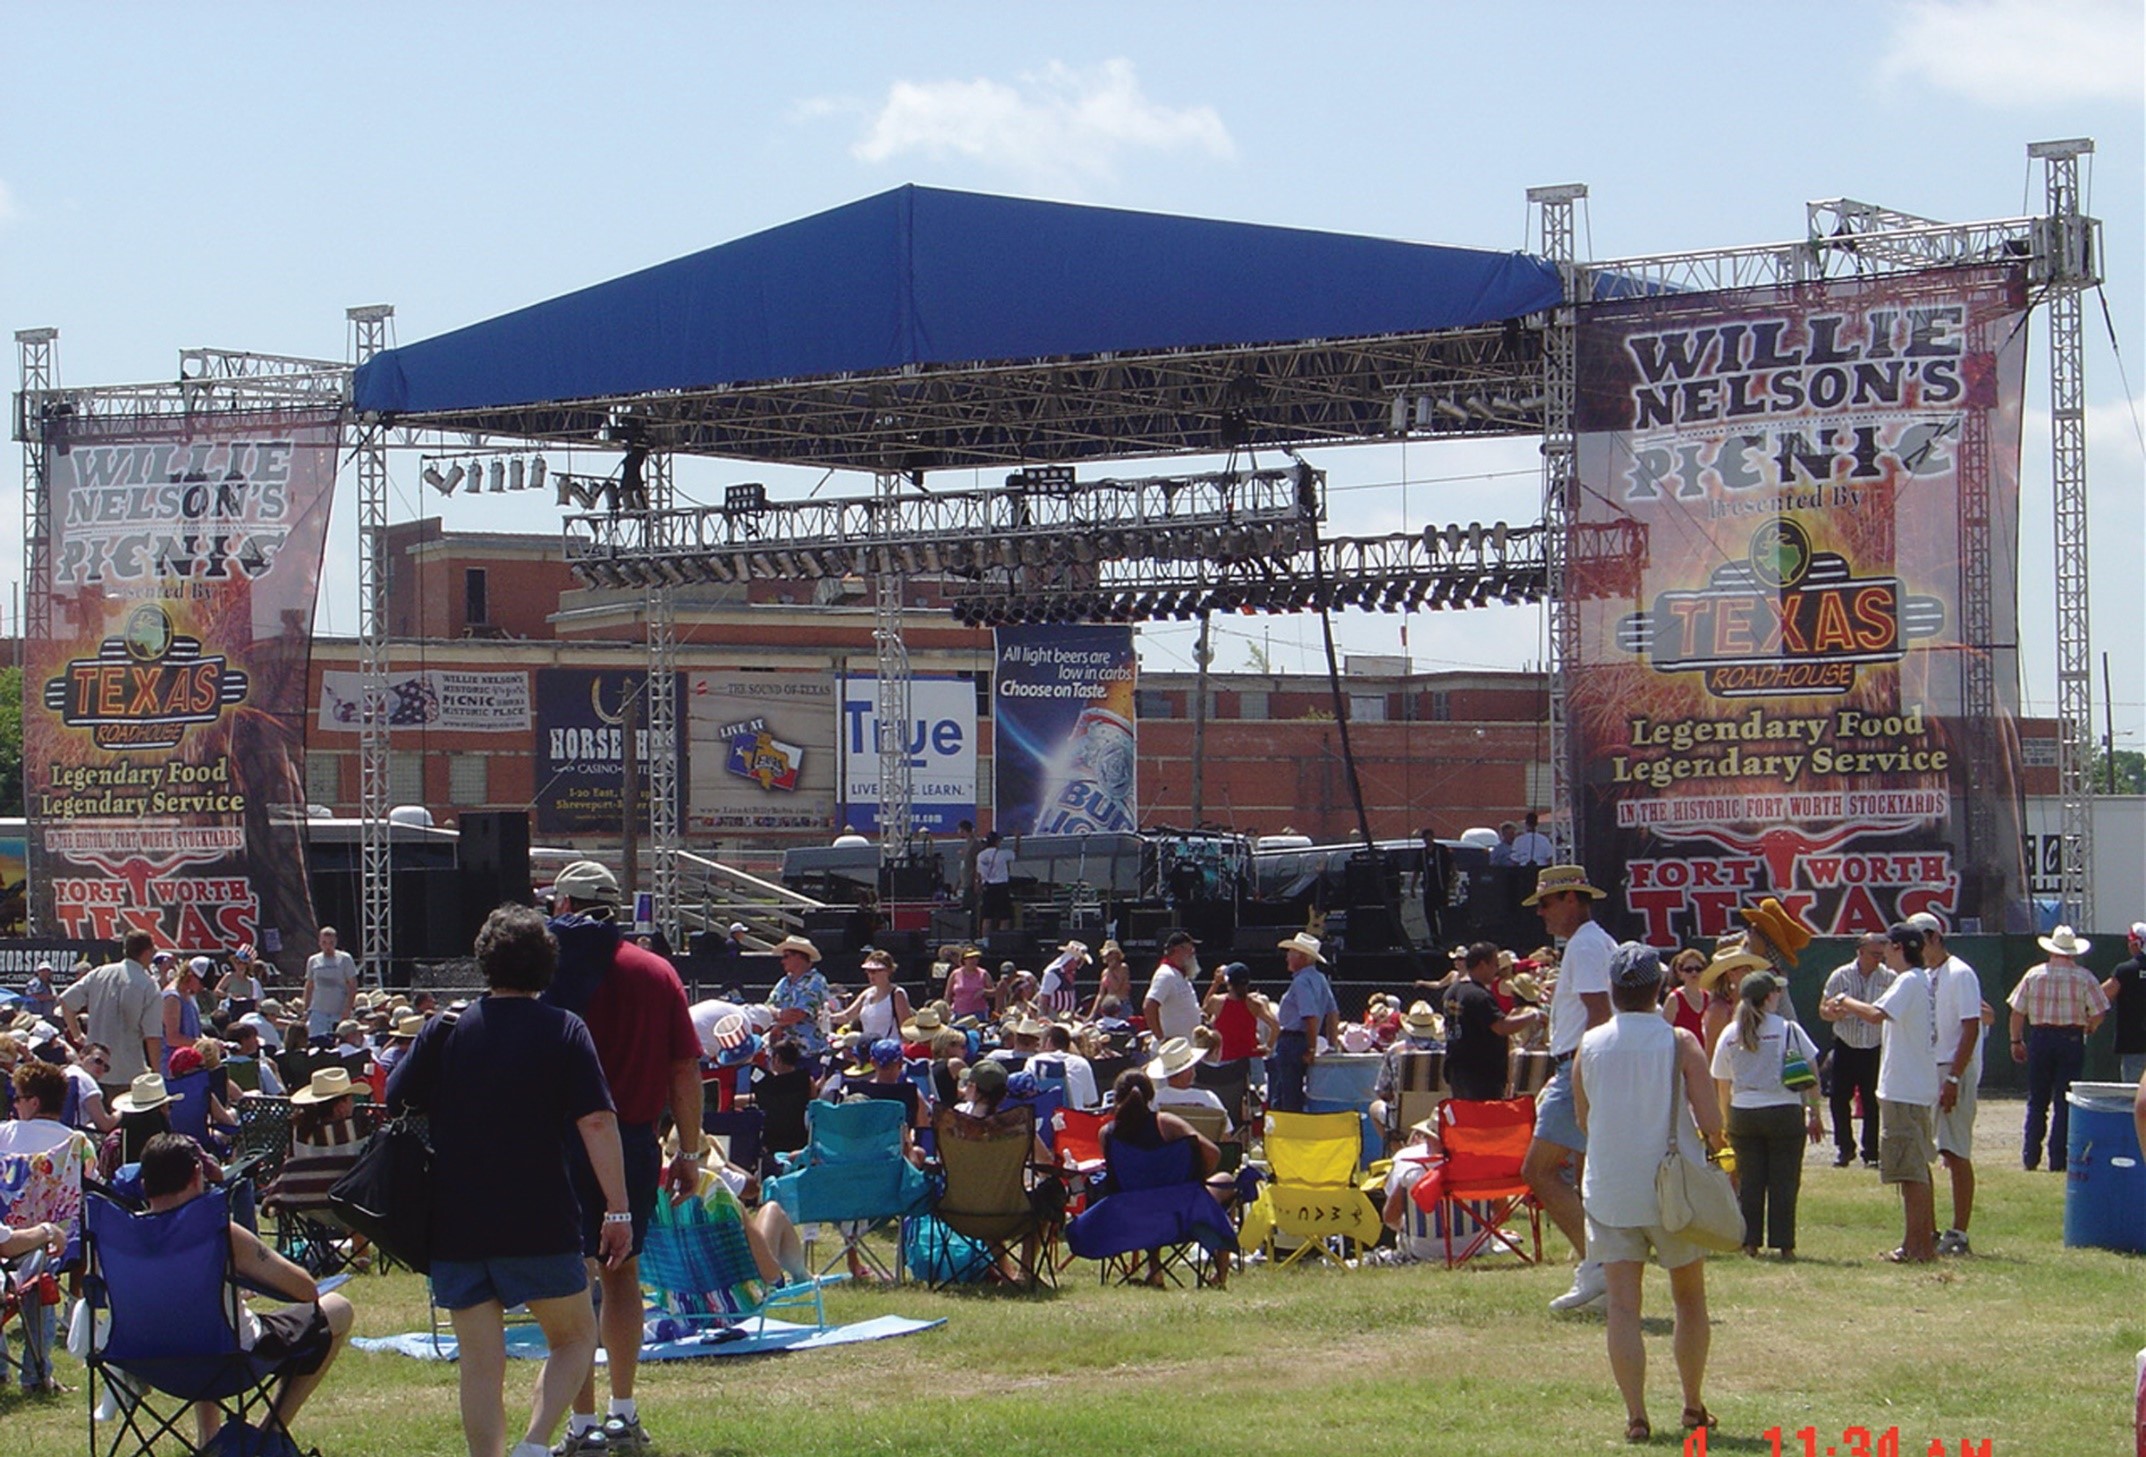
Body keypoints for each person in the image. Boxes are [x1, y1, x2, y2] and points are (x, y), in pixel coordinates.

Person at [388, 904, 630, 1457]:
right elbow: (596, 1121)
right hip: (538, 1216)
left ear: (484, 962)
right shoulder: (564, 1029)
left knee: (479, 1364)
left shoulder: (444, 1030)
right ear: (548, 964)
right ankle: (536, 1442)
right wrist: (617, 1208)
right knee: (574, 1337)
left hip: (456, 1220)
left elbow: (394, 1097)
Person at [540, 861, 702, 1457]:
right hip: (633, 1140)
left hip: (561, 1140)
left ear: (563, 905)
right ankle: (624, 1411)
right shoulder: (656, 972)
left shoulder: (546, 970)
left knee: (570, 1279)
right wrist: (688, 1149)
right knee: (622, 1272)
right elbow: (684, 1069)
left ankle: (581, 1423)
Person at [1570, 942, 1724, 1444]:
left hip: (1611, 1186)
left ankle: (1636, 1415)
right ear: (1659, 987)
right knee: (1689, 1299)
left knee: (1622, 1307)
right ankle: (1692, 1404)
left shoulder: (1588, 1045)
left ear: (1613, 991)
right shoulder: (1680, 1042)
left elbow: (1584, 1119)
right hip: (1672, 1186)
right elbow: (1711, 1121)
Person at [132, 1133, 354, 1447]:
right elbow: (305, 1290)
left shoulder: (122, 1237)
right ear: (197, 1175)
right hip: (227, 1361)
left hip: (149, 1362)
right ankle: (269, 1433)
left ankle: (209, 1440)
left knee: (198, 1318)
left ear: (144, 1184)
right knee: (338, 1308)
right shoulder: (219, 1233)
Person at [1521, 865, 1616, 1314]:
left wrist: (1579, 1079)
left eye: (1546, 903)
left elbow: (1599, 1014)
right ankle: (1600, 1272)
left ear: (1572, 900)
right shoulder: (1591, 943)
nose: (1541, 914)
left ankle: (1599, 1266)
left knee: (1538, 1171)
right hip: (1580, 1066)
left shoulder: (1586, 945)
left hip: (1581, 1065)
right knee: (1584, 1178)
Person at [1823, 922, 1940, 1263]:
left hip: (1904, 1089)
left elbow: (1875, 1015)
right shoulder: (1920, 981)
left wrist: (1844, 1000)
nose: (1884, 954)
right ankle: (1918, 1245)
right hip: (1914, 1086)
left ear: (1900, 948)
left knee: (1910, 1173)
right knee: (1916, 1169)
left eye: (1888, 947)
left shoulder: (1907, 981)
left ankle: (1917, 1248)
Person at [1708, 970, 1823, 1259]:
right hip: (1783, 1109)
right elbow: (1811, 1071)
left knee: (1750, 1181)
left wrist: (1725, 1119)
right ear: (1770, 996)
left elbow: (1723, 1081)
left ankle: (1750, 1242)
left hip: (1743, 1112)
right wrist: (1814, 1112)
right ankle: (1784, 1244)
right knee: (1784, 1179)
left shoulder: (1730, 1033)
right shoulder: (1787, 1028)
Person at [1095, 1068, 1229, 1288]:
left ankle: (1154, 1269)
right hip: (1181, 1211)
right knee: (1224, 1179)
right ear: (1150, 1096)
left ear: (1116, 1096)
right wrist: (1196, 1178)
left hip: (1132, 1214)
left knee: (1150, 1194)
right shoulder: (1166, 1123)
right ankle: (1220, 1275)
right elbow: (1213, 1153)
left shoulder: (1107, 1134)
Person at [1907, 911, 1983, 1256]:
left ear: (1935, 937)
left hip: (1954, 1067)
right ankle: (1929, 1228)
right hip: (1929, 1066)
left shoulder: (1961, 973)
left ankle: (1959, 1232)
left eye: (1919, 942)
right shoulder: (1924, 975)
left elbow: (1971, 1026)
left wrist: (1954, 1075)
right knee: (1927, 1150)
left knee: (1955, 1150)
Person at [2008, 924, 2107, 1175]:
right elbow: (2099, 1011)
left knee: (2037, 1100)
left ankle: (2030, 1156)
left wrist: (2016, 1040)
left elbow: (2017, 1011)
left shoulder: (2033, 975)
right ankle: (2058, 1159)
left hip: (2041, 1036)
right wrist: (2089, 1027)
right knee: (2064, 1101)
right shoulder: (2084, 977)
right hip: (2070, 1038)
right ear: (2073, 952)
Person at [57, 929, 164, 1103]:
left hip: (93, 1069)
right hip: (128, 1072)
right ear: (146, 952)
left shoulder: (100, 973)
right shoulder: (148, 985)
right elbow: (152, 1036)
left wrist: (77, 1035)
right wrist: (157, 1074)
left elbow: (66, 1001)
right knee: (124, 1126)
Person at [1818, 932, 1894, 1169]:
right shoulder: (1840, 976)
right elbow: (1823, 1009)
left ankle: (1871, 1152)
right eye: (1874, 954)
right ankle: (1844, 1148)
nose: (1878, 959)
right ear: (1860, 952)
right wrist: (1832, 1013)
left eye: (1882, 955)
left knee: (1872, 1101)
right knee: (1839, 1098)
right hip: (1846, 1044)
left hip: (1874, 1046)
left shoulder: (1889, 977)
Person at [1444, 942, 1544, 1100]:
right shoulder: (1478, 995)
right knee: (1485, 1121)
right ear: (1482, 964)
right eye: (1495, 965)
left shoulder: (1451, 991)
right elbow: (1502, 1027)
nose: (1497, 970)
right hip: (1481, 1074)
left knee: (1466, 1119)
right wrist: (1535, 1015)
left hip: (1457, 1069)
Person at [1266, 933, 1338, 1114]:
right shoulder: (1320, 979)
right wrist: (1331, 1045)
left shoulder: (1301, 982)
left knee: (1286, 1095)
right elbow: (1333, 1013)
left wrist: (1311, 1049)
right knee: (1297, 1093)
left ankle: (1288, 1134)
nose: (1287, 956)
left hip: (1293, 1042)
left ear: (1303, 957)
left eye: (1291, 952)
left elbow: (1310, 1016)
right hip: (1306, 1040)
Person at [767, 936, 831, 1065]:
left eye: (786, 956)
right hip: (782, 1053)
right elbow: (767, 1007)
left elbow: (797, 1014)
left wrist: (777, 1024)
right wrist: (779, 1014)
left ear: (799, 957)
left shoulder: (816, 981)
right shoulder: (784, 982)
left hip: (807, 1053)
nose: (782, 961)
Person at [829, 949, 912, 1047]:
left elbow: (906, 1028)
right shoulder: (867, 993)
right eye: (868, 971)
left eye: (875, 971)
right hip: (867, 1051)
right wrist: (827, 1017)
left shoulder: (897, 994)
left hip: (889, 1051)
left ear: (888, 971)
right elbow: (847, 1016)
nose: (871, 975)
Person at [1202, 962, 1277, 1067]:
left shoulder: (1217, 1001)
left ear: (1228, 981)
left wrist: (1216, 983)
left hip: (1226, 1061)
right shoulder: (1255, 1004)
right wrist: (1268, 1047)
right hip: (1252, 1060)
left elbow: (1204, 1011)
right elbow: (1275, 1026)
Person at [2103, 922, 2146, 1085]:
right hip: (2133, 1045)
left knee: (2133, 1097)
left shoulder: (2125, 971)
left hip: (2134, 1045)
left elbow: (2102, 996)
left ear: (2136, 944)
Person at [1144, 931, 1205, 1044]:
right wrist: (1161, 1039)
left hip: (1185, 1047)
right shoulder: (1165, 974)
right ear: (1178, 949)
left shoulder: (1180, 975)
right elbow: (1149, 1006)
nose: (1193, 953)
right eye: (1190, 949)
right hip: (1171, 1051)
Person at [302, 928, 360, 1045]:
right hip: (318, 1013)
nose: (327, 946)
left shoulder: (345, 959)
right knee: (315, 1044)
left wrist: (347, 1009)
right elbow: (309, 985)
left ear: (336, 942)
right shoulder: (313, 960)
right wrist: (306, 1009)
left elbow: (352, 986)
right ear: (319, 942)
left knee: (339, 1045)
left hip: (338, 1012)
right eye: (324, 943)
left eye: (331, 943)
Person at [1031, 1022, 1099, 1110]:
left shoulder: (1034, 1061)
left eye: (1039, 1045)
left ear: (1048, 1042)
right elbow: (1090, 1101)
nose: (1039, 1049)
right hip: (1074, 1120)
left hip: (1042, 1119)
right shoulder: (1082, 1063)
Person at [160, 957, 208, 1071]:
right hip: (174, 1068)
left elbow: (194, 1033)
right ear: (190, 976)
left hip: (191, 1064)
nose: (202, 988)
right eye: (201, 983)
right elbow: (172, 1038)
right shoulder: (172, 998)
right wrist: (205, 1044)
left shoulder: (189, 995)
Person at [975, 831, 1015, 933]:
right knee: (1005, 917)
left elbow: (978, 873)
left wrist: (978, 885)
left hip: (988, 887)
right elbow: (1016, 854)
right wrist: (1017, 839)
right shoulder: (1002, 854)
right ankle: (1002, 941)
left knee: (987, 917)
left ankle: (985, 942)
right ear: (997, 842)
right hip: (1001, 888)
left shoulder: (980, 856)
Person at [1038, 941, 1088, 1018]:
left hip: (1067, 1016)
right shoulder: (1052, 974)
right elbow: (1044, 997)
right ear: (1071, 959)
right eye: (1078, 962)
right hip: (1054, 1015)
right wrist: (1043, 1017)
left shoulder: (1070, 974)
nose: (1079, 966)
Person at [1087, 941, 1131, 1020]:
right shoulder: (1104, 972)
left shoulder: (1123, 968)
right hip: (1109, 1006)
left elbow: (1116, 986)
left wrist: (1110, 970)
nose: (1108, 957)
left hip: (1121, 1005)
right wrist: (1093, 1013)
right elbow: (1100, 994)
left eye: (1110, 954)